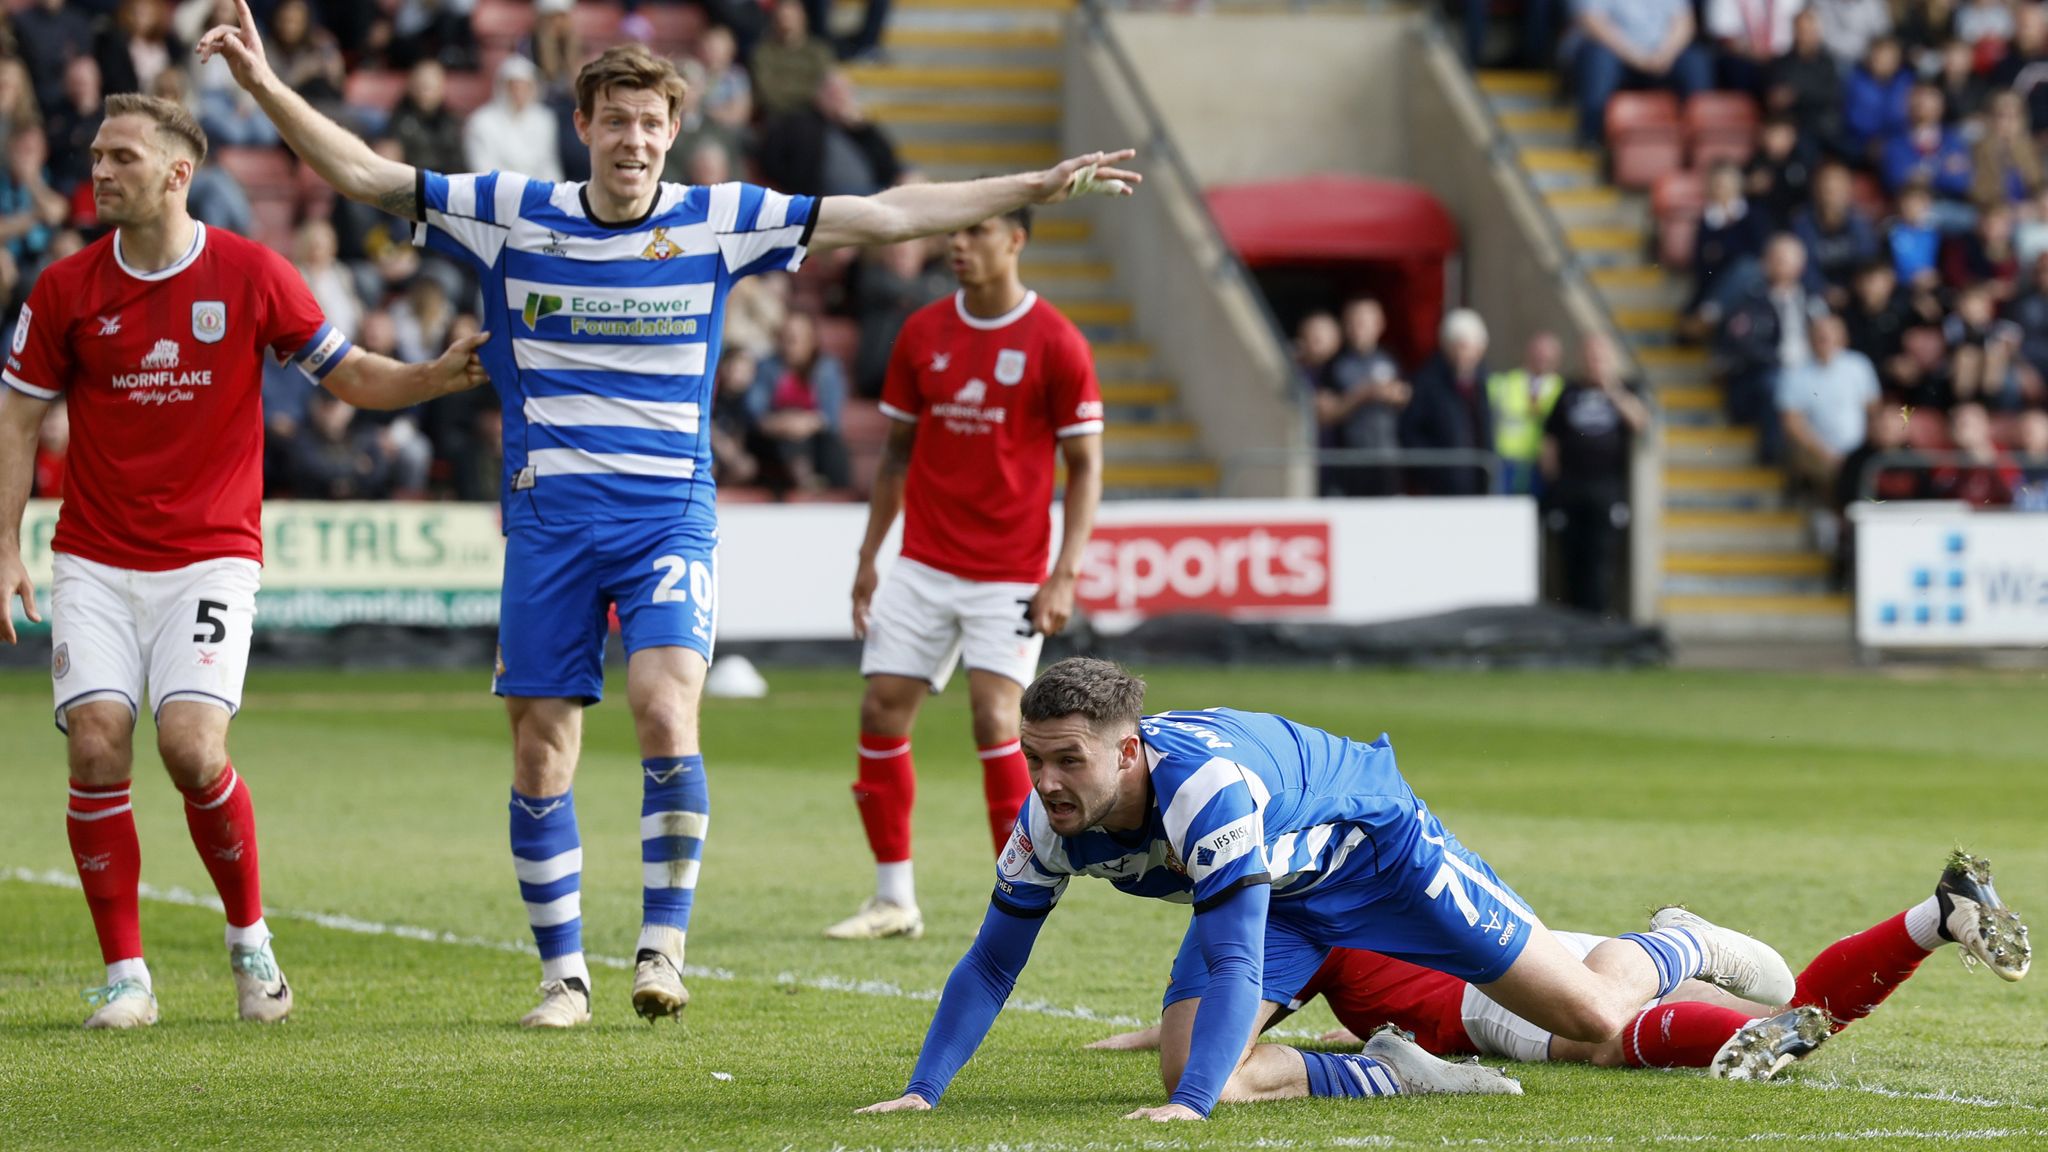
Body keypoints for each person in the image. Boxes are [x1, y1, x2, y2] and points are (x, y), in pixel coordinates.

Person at [200, 5, 1139, 1026]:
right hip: (549, 524)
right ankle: (562, 976)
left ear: (673, 131)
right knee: (539, 751)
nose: (634, 140)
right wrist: (259, 85)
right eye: (616, 121)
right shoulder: (510, 208)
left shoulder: (716, 218)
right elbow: (368, 178)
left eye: (652, 123)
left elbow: (881, 213)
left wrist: (1033, 185)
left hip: (665, 521)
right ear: (584, 125)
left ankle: (662, 947)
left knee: (663, 706)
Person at [0, 92, 488, 1030]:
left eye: (122, 158)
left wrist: (432, 374)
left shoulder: (253, 275)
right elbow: (18, 414)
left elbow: (347, 373)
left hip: (211, 557)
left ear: (179, 175)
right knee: (98, 740)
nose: (99, 172)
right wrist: (5, 546)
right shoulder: (63, 290)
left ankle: (248, 936)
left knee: (190, 747)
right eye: (97, 155)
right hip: (95, 557)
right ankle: (127, 975)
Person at [856, 659, 1795, 1120]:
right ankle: (1392, 1071)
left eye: (1069, 761)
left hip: (1383, 851)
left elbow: (1231, 955)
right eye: (1034, 761)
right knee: (1198, 1066)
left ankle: (1680, 942)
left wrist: (1191, 1116)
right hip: (1286, 891)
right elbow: (991, 964)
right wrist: (923, 1092)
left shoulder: (1204, 792)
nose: (1047, 782)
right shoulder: (1044, 825)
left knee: (1591, 1019)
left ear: (1129, 751)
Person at [1087, 851, 2031, 1081]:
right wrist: (1146, 1031)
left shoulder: (1298, 920)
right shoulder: (1334, 893)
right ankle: (1935, 914)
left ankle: (1677, 943)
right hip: (1525, 958)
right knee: (1800, 1016)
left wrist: (1177, 1040)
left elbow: (1235, 1024)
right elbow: (1304, 1012)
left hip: (1493, 994)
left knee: (1605, 1041)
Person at [826, 205, 1104, 941]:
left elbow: (1084, 468)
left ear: (1015, 240)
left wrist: (1063, 572)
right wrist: (868, 560)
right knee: (881, 709)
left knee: (998, 720)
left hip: (1008, 571)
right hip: (921, 562)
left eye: (976, 230)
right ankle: (893, 900)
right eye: (954, 230)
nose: (957, 241)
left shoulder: (1057, 342)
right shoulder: (922, 333)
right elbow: (893, 458)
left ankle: (1018, 897)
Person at [1542, 333, 1649, 617]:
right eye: (1590, 356)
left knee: (1601, 556)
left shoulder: (1624, 389)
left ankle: (1597, 616)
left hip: (1607, 487)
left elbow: (1640, 421)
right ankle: (1574, 617)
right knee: (1570, 554)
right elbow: (1550, 438)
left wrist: (1611, 389)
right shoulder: (1569, 392)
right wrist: (1553, 480)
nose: (1595, 363)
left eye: (1600, 357)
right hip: (1571, 486)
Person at [1571, 0, 1712, 145]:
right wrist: (1635, 56)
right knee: (1598, 58)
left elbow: (1684, 24)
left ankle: (1700, 135)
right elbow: (1593, 22)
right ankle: (1592, 132)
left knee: (1696, 61)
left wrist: (1666, 55)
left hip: (1663, 56)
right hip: (1618, 53)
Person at [1777, 314, 1880, 509]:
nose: (1824, 341)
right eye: (1820, 336)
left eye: (1830, 336)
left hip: (1857, 451)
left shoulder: (1859, 366)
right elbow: (1792, 422)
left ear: (1843, 338)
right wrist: (1825, 453)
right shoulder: (1796, 373)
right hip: (1817, 453)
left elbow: (1873, 410)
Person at [749, 309, 851, 493]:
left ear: (811, 341)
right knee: (786, 445)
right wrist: (785, 424)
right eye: (787, 338)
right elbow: (756, 412)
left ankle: (840, 499)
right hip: (776, 436)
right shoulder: (766, 367)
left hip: (814, 436)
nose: (791, 344)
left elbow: (830, 416)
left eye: (797, 338)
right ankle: (802, 487)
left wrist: (802, 423)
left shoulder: (827, 368)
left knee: (834, 447)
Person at [1320, 297, 1410, 497]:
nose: (1357, 328)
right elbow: (1326, 412)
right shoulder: (1335, 364)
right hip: (1349, 462)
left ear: (1379, 324)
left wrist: (1394, 395)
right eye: (1351, 322)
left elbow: (1406, 395)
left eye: (1363, 322)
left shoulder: (1390, 358)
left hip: (1387, 461)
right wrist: (1362, 395)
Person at [1400, 308, 1494, 496]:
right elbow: (1410, 434)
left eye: (1470, 346)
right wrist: (1436, 470)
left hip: (1483, 485)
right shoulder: (1427, 382)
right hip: (1441, 490)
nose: (1465, 354)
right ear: (1446, 346)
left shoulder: (1488, 383)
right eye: (1459, 346)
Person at [1486, 331, 1563, 498]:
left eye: (1547, 354)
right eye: (1538, 352)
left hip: (1543, 464)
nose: (1542, 358)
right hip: (1507, 462)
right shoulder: (1504, 383)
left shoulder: (1562, 389)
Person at [463, 54, 561, 184]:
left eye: (525, 87)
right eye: (514, 87)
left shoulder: (545, 119)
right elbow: (483, 170)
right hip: (497, 193)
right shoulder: (481, 122)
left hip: (538, 194)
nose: (519, 93)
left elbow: (549, 165)